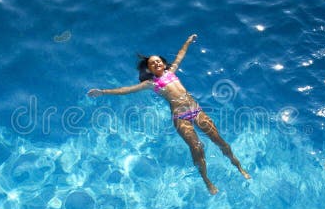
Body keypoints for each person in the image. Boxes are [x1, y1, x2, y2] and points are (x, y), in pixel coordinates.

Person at [87, 34, 250, 194]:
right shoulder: (151, 83)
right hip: (180, 118)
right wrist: (102, 92)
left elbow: (180, 55)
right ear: (149, 69)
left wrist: (187, 42)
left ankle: (239, 167)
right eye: (152, 63)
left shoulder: (171, 71)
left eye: (158, 61)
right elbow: (126, 90)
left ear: (164, 64)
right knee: (197, 146)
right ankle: (207, 180)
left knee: (220, 141)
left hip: (196, 111)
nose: (156, 63)